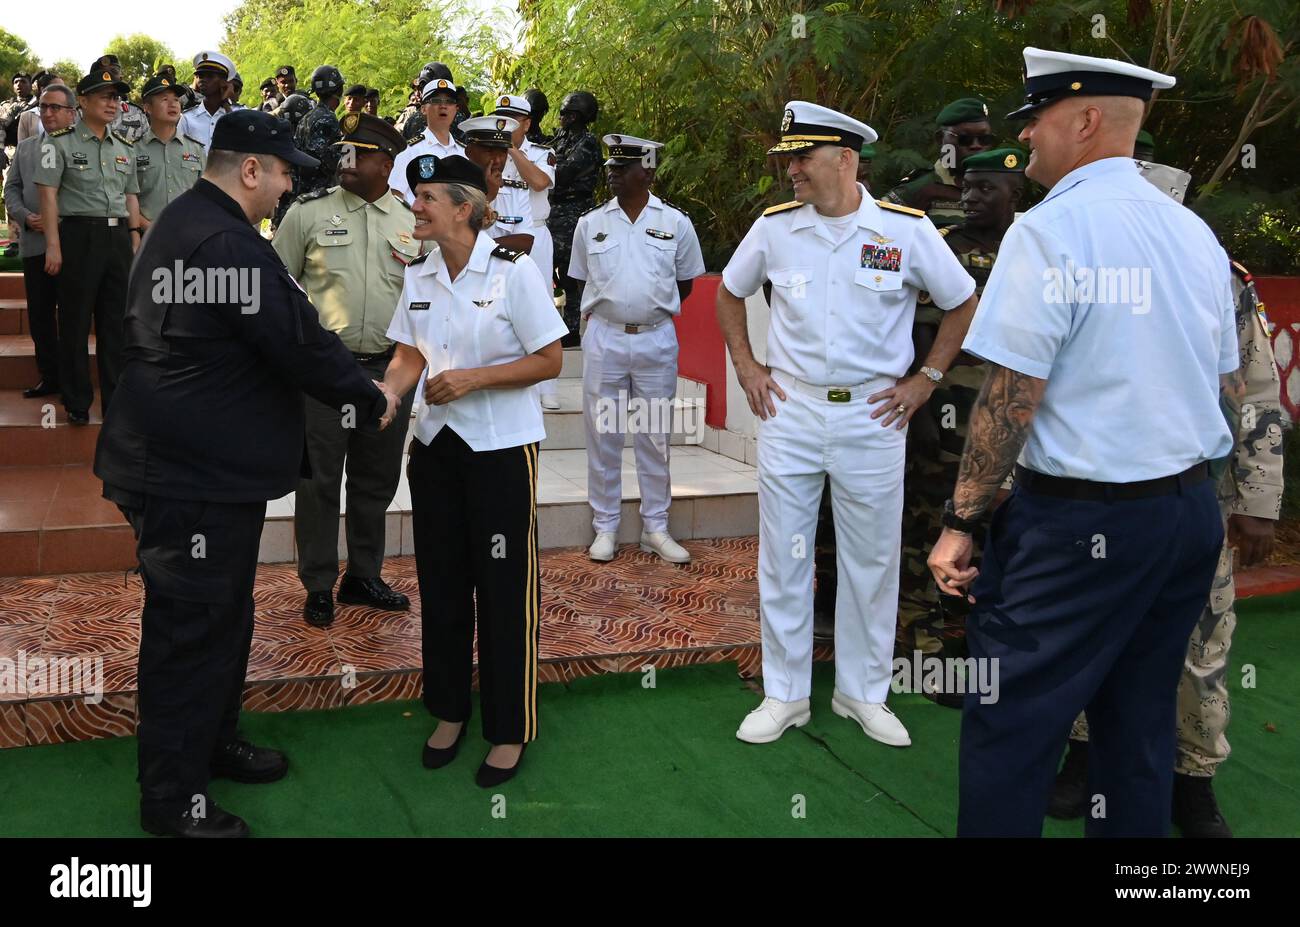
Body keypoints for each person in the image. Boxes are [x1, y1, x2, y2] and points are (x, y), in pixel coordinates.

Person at [927, 48, 1238, 838]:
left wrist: (963, 523)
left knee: (1011, 725)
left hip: (1078, 529)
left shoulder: (1049, 230)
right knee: (1137, 729)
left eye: (1036, 118)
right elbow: (1226, 387)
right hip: (1185, 515)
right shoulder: (1192, 231)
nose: (1024, 135)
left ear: (1086, 120)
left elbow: (1010, 395)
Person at [94, 108, 400, 838]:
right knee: (191, 631)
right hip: (187, 475)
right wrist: (369, 394)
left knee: (223, 618)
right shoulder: (225, 240)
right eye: (286, 172)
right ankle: (173, 800)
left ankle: (214, 742)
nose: (289, 185)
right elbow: (295, 337)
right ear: (251, 170)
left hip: (198, 467)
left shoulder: (190, 222)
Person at [717, 101, 978, 747]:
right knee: (784, 555)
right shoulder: (775, 229)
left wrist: (928, 379)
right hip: (791, 407)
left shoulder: (905, 230)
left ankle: (863, 693)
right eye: (789, 158)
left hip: (871, 413)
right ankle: (785, 694)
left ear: (846, 159)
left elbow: (962, 301)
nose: (791, 170)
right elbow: (729, 290)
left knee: (872, 559)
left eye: (802, 157)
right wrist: (748, 366)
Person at [1046, 157, 1284, 839]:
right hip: (1088, 493)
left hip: (1188, 495)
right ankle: (1085, 755)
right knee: (1088, 632)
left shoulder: (1210, 271)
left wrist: (1259, 496)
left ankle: (1193, 779)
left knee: (1201, 644)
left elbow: (1255, 392)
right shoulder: (1071, 265)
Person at [379, 153, 567, 787]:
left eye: (427, 196)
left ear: (463, 207)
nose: (417, 207)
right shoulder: (421, 273)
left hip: (502, 449)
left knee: (505, 586)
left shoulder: (515, 273)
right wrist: (388, 394)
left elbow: (549, 360)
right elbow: (409, 352)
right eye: (415, 196)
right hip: (436, 449)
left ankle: (509, 727)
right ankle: (450, 710)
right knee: (443, 580)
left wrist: (472, 380)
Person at [273, 113, 419, 627]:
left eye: (357, 154)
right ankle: (317, 583)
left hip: (389, 371)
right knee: (317, 484)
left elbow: (425, 299)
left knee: (375, 481)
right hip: (323, 373)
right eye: (344, 152)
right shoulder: (307, 214)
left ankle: (363, 575)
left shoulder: (409, 222)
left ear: (385, 162)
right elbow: (277, 290)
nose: (345, 160)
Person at [897, 147, 1025, 706]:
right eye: (967, 187)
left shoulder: (1036, 250)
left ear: (1015, 194)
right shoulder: (943, 251)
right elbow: (915, 334)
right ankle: (917, 651)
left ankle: (981, 650)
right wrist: (921, 411)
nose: (970, 197)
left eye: (985, 188)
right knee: (925, 533)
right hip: (948, 418)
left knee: (1004, 539)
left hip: (1016, 426)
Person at [569, 134, 705, 563]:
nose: (610, 174)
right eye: (610, 167)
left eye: (620, 167)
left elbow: (684, 283)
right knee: (603, 436)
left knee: (654, 436)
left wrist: (648, 309)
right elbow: (580, 279)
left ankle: (656, 528)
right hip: (606, 337)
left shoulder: (676, 223)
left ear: (646, 171)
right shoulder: (591, 224)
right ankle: (605, 526)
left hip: (655, 340)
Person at [35, 64, 144, 425]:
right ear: (82, 101)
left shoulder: (125, 148)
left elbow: (130, 197)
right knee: (75, 322)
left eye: (116, 98)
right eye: (104, 97)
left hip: (117, 239)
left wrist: (132, 238)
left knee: (115, 325)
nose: (112, 104)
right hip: (78, 236)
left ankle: (115, 402)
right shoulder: (58, 142)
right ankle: (77, 401)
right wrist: (53, 244)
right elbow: (48, 197)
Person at [4, 82, 78, 399]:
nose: (47, 113)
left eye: (55, 107)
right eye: (43, 107)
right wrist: (23, 216)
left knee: (74, 315)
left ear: (72, 113)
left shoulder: (83, 147)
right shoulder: (26, 147)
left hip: (73, 244)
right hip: (34, 245)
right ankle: (49, 377)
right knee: (40, 315)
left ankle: (75, 381)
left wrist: (53, 221)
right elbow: (11, 190)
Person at [493, 95, 560, 408]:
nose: (504, 124)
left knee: (541, 301)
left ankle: (547, 389)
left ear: (527, 123)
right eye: (500, 118)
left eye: (512, 119)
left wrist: (510, 149)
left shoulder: (542, 153)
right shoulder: (486, 150)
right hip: (494, 231)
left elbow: (539, 182)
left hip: (533, 230)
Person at [885, 98, 994, 229]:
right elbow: (881, 237)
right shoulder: (918, 189)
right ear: (940, 139)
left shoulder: (998, 186)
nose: (976, 145)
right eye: (965, 139)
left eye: (984, 139)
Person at [547, 91, 601, 345]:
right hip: (554, 211)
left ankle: (571, 329)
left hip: (575, 211)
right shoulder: (561, 139)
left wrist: (544, 169)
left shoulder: (587, 142)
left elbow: (564, 173)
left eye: (567, 113)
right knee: (546, 269)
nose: (561, 117)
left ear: (579, 116)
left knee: (571, 274)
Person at [134, 72, 207, 228]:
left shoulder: (196, 149)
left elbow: (206, 197)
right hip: (147, 237)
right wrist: (148, 228)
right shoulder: (132, 150)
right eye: (165, 99)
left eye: (176, 99)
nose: (173, 104)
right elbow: (126, 197)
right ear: (147, 108)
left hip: (189, 235)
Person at [389, 77, 463, 205]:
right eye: (436, 101)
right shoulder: (410, 151)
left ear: (456, 109)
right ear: (423, 109)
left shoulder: (464, 153)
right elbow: (395, 196)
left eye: (449, 101)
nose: (443, 106)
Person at [179, 51, 236, 152]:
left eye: (210, 76)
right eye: (200, 76)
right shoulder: (187, 118)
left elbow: (243, 137)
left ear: (224, 81)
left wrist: (226, 104)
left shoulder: (239, 112)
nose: (202, 80)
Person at [1, 73, 38, 171]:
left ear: (31, 86)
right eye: (16, 82)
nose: (19, 84)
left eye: (23, 81)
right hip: (11, 151)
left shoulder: (39, 104)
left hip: (34, 151)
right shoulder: (5, 106)